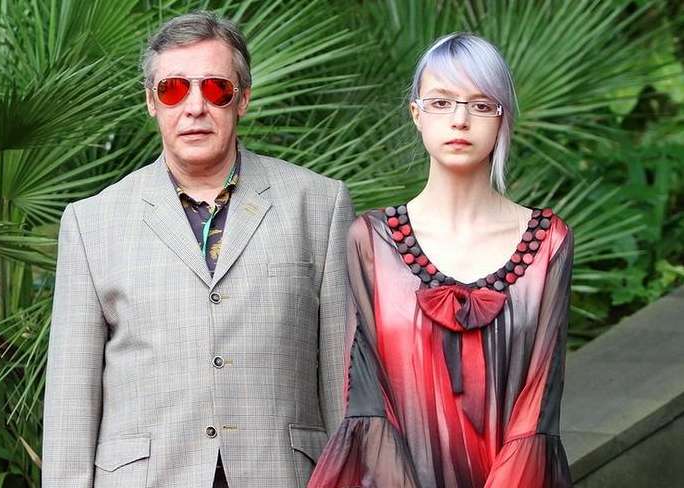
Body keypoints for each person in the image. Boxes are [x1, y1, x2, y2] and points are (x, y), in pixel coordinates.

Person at [42, 11, 354, 488]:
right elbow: (71, 398)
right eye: (172, 89)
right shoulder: (92, 223)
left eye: (215, 88)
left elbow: (342, 383)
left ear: (242, 98)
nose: (194, 107)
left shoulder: (319, 205)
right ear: (151, 101)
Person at [309, 33, 573, 488]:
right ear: (417, 113)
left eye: (481, 104)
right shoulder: (372, 241)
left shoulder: (548, 242)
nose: (460, 119)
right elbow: (369, 402)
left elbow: (539, 405)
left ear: (502, 118)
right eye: (441, 102)